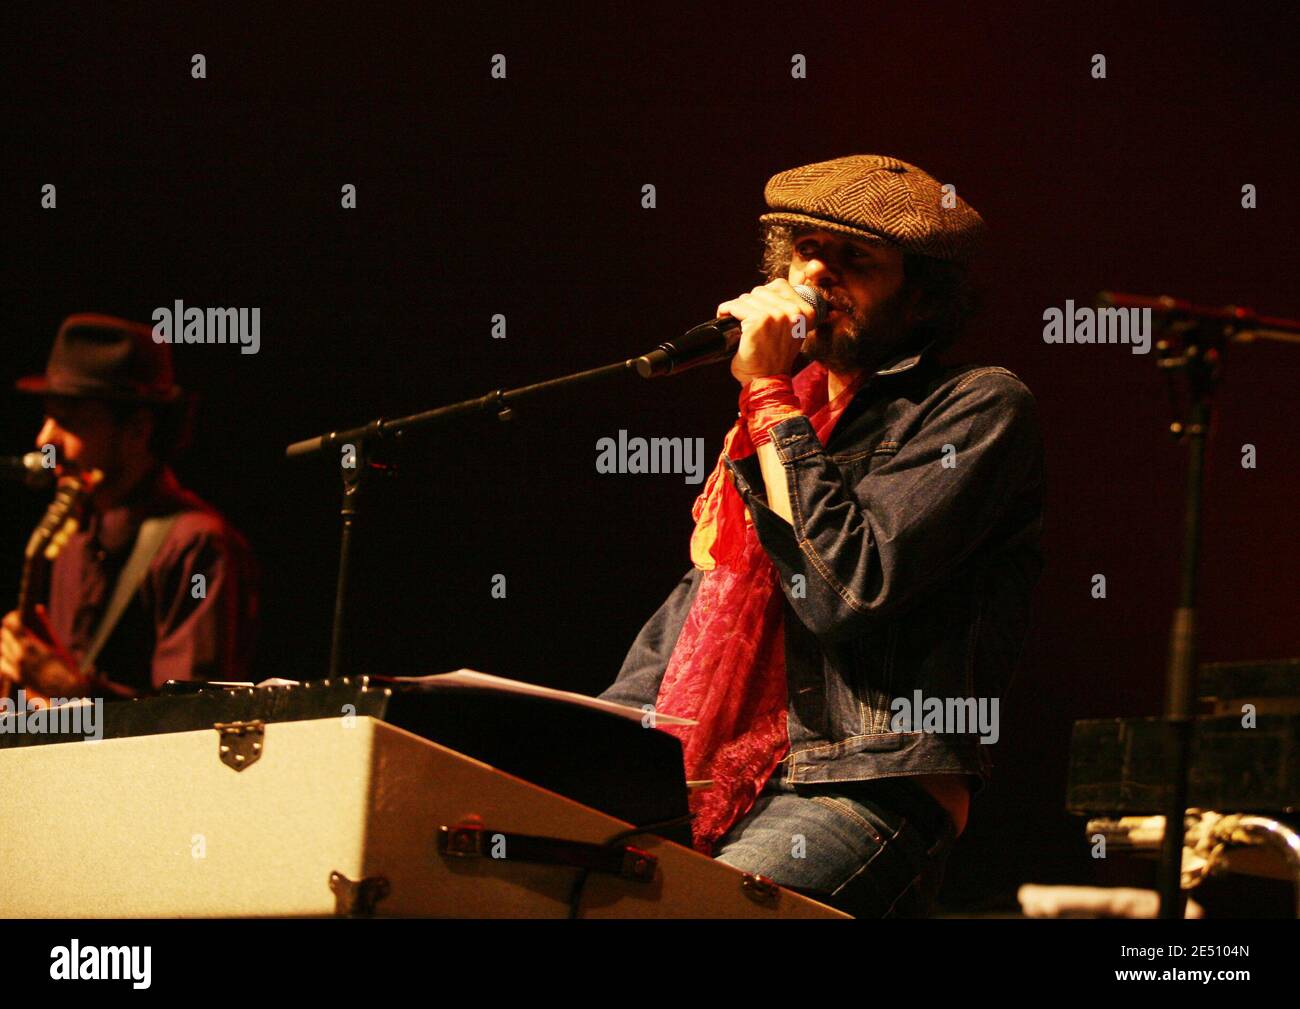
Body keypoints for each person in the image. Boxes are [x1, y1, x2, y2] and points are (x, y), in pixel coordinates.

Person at [600, 154, 1045, 917]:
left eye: (855, 260)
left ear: (922, 292)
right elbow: (701, 606)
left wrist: (769, 395)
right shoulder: (777, 428)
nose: (816, 276)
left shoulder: (976, 406)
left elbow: (846, 589)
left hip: (862, 787)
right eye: (806, 250)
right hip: (706, 783)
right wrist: (581, 749)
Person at [1, 313, 258, 701]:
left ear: (137, 430)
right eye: (47, 417)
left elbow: (192, 720)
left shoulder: (197, 546)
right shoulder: (74, 533)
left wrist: (69, 690)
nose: (44, 439)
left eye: (68, 422)